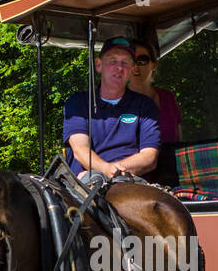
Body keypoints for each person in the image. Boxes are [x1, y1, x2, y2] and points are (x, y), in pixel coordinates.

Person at [63, 36, 161, 178]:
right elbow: (80, 149)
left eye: (125, 62)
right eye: (112, 61)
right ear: (98, 65)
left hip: (132, 181)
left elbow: (149, 156)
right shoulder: (78, 102)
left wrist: (116, 172)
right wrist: (106, 169)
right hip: (87, 181)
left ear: (133, 69)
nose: (119, 67)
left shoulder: (145, 106)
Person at [127, 39, 182, 143]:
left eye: (142, 60)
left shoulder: (168, 98)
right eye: (130, 60)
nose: (135, 67)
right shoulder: (116, 101)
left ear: (154, 64)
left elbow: (178, 140)